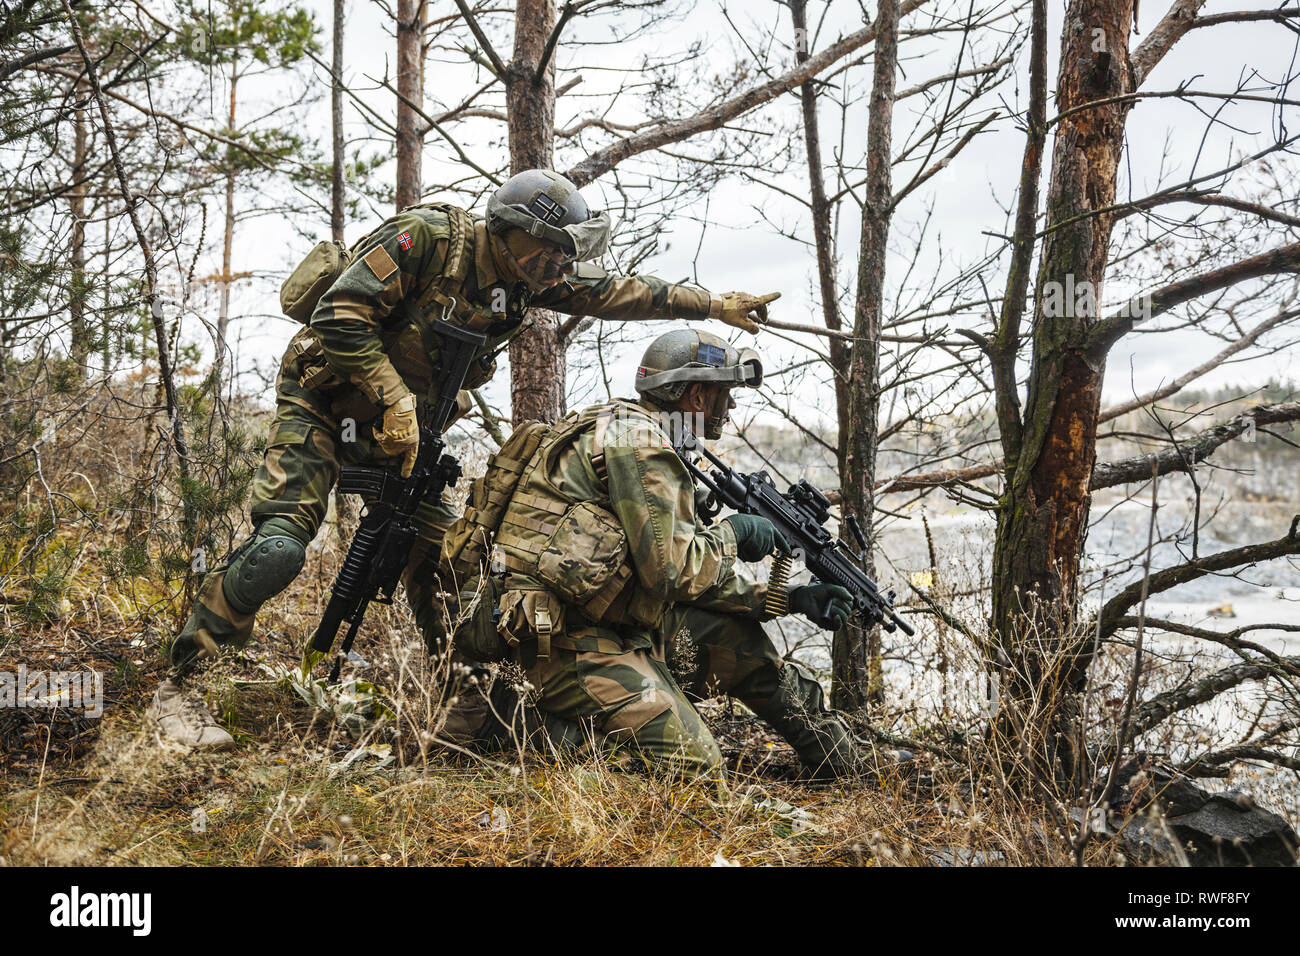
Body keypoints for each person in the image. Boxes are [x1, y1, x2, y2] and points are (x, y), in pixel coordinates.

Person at [151, 169, 779, 748]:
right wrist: (393, 396)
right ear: (511, 231)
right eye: (550, 250)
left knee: (456, 561)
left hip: (404, 438)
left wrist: (713, 306)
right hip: (321, 405)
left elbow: (617, 292)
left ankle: (464, 701)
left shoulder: (530, 282)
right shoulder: (427, 238)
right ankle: (181, 688)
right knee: (280, 550)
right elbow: (337, 312)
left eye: (565, 256)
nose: (558, 267)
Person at [438, 328, 911, 779]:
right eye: (723, 394)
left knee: (739, 642)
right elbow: (671, 572)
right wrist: (733, 534)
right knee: (695, 767)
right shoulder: (640, 446)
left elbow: (678, 569)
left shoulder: (633, 431)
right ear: (696, 396)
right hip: (565, 641)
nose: (728, 406)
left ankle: (838, 756)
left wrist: (791, 597)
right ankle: (505, 725)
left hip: (604, 621)